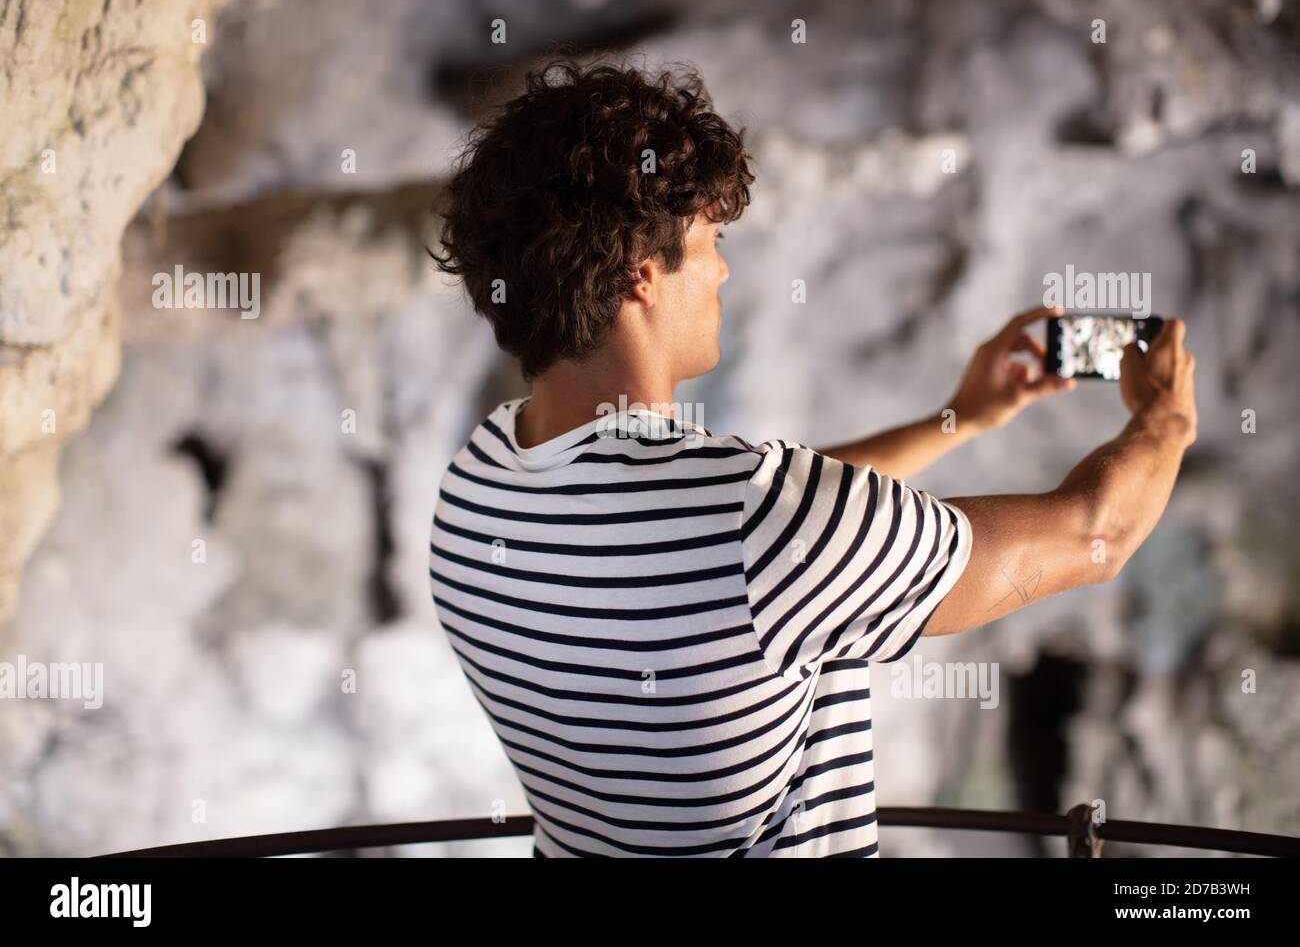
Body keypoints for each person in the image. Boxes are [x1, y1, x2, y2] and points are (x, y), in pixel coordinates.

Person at [426, 57, 1197, 857]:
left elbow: (774, 531)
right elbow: (1095, 534)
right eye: (709, 239)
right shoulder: (758, 520)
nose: (722, 267)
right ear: (641, 276)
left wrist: (959, 419)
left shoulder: (474, 492)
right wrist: (1165, 415)